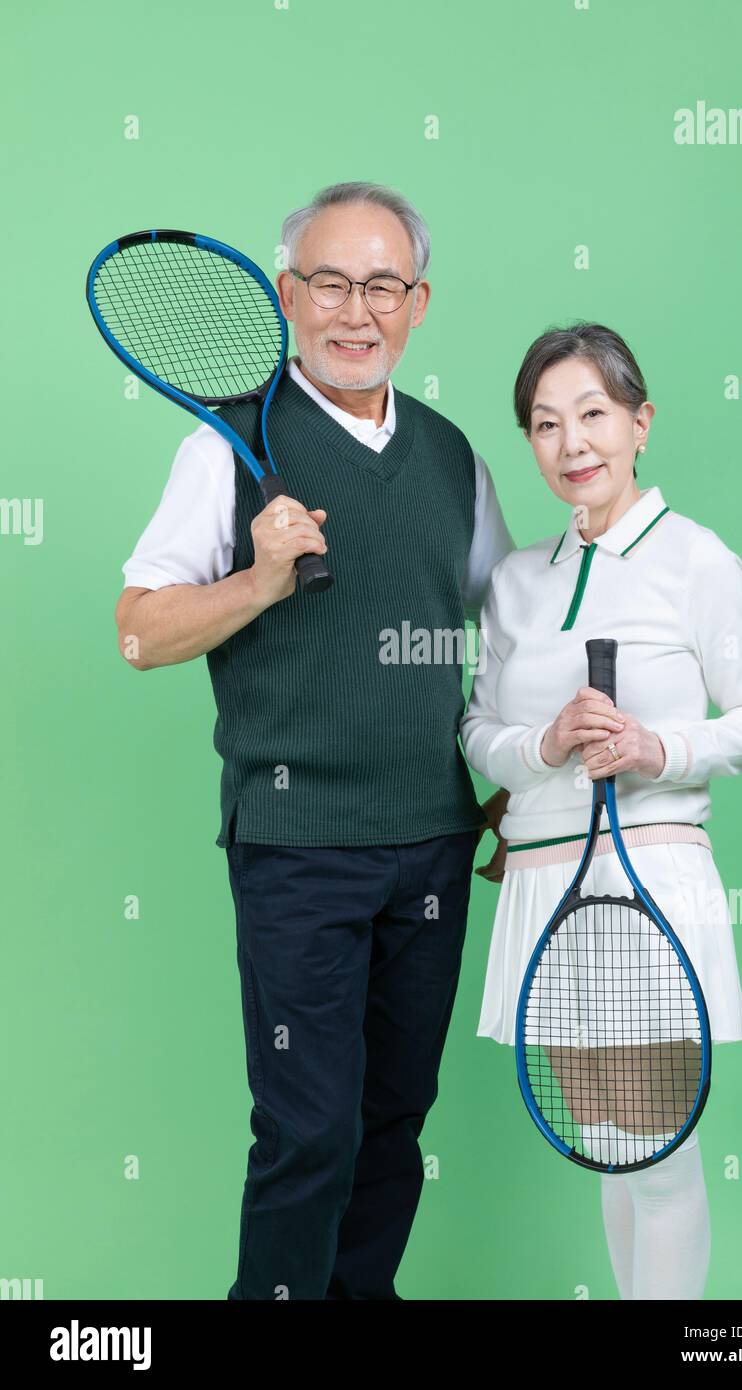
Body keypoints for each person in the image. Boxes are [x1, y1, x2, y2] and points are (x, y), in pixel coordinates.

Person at [113, 181, 514, 1299]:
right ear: (286, 295)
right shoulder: (223, 449)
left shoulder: (450, 457)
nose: (355, 310)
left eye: (380, 284)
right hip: (297, 847)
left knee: (391, 1127)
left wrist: (515, 776)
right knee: (309, 1133)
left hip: (432, 844)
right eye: (328, 282)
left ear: (417, 302)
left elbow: (506, 626)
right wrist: (259, 577)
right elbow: (139, 633)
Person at [460, 322, 742, 1300]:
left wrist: (657, 746)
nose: (571, 444)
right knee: (608, 1148)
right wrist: (545, 745)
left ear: (638, 422)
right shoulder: (514, 583)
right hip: (539, 887)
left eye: (593, 415)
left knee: (655, 1158)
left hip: (646, 883)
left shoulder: (695, 558)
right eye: (544, 424)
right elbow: (478, 733)